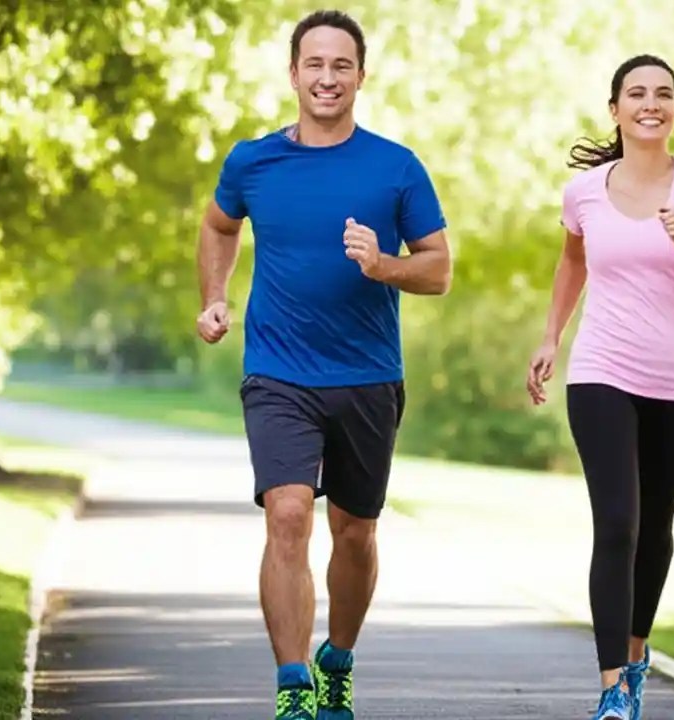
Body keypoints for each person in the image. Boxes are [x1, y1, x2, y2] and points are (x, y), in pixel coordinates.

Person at [195, 9, 451, 720]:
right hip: (278, 371)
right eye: (315, 64)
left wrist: (383, 265)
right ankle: (294, 685)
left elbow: (439, 270)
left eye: (342, 65)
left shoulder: (395, 167)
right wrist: (215, 298)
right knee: (286, 516)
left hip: (368, 375)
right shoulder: (252, 161)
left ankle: (338, 656)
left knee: (355, 532)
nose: (328, 78)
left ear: (360, 77)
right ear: (293, 73)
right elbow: (218, 225)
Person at [525, 54, 674, 720]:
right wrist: (550, 338)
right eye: (637, 93)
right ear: (615, 109)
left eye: (664, 94)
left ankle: (638, 650)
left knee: (654, 529)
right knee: (617, 520)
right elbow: (572, 264)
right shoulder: (585, 192)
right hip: (602, 371)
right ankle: (612, 684)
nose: (652, 102)